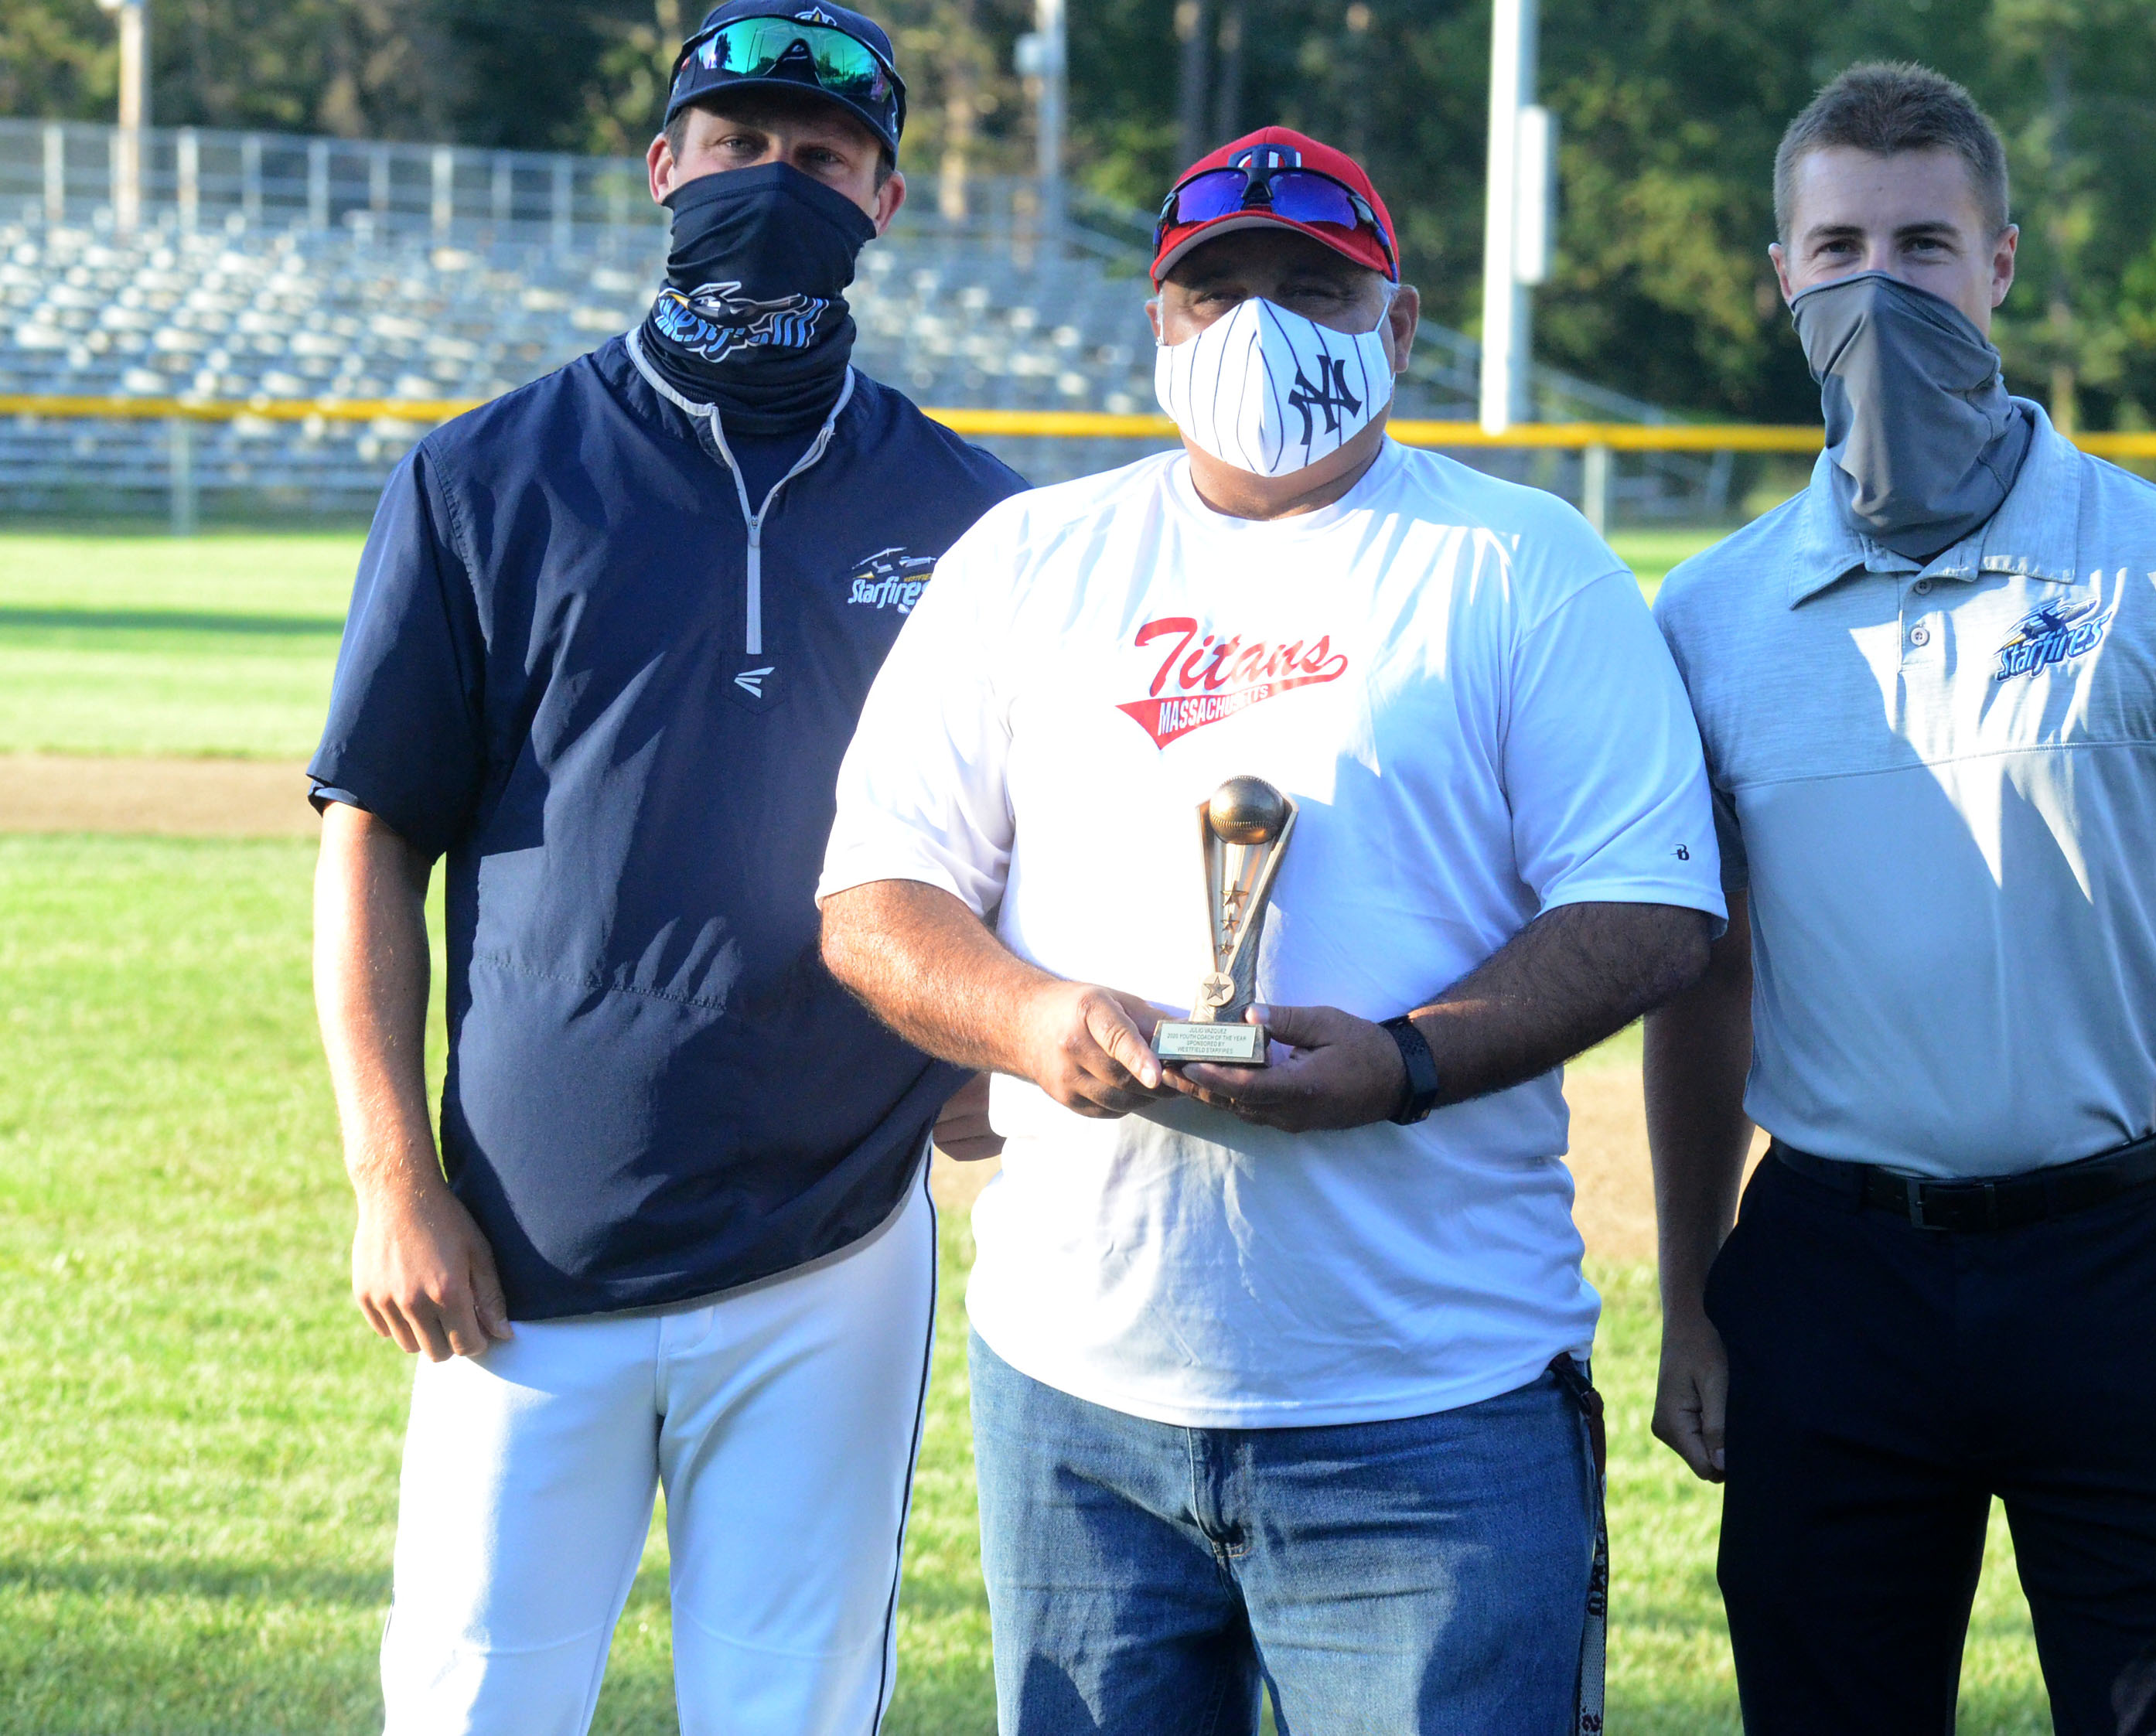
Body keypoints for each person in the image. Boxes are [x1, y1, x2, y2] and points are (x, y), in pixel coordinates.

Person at [815, 126, 1725, 1734]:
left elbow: (1649, 903)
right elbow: (875, 895)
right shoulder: (1033, 557)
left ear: (1402, 321)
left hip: (1431, 1403)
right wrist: (1029, 1022)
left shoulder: (1520, 565)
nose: (1259, 326)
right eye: (1214, 288)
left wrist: (1410, 1062)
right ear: (1157, 323)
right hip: (1078, 1399)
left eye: (1312, 284)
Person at [308, 5, 1025, 1731]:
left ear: (888, 197)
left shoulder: (980, 513)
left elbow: (1011, 835)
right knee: (475, 1704)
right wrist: (391, 1177)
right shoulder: (483, 475)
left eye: (822, 161)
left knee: (786, 1709)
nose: (776, 185)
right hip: (515, 1246)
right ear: (661, 169)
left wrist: (982, 1056)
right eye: (737, 149)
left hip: (832, 1240)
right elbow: (370, 837)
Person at [1646, 63, 2156, 1735]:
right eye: (1836, 245)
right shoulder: (1709, 616)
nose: (1878, 284)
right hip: (1832, 1272)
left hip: (2130, 1269)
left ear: (2001, 266)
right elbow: (1709, 978)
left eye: (1924, 243)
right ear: (1781, 275)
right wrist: (1692, 1286)